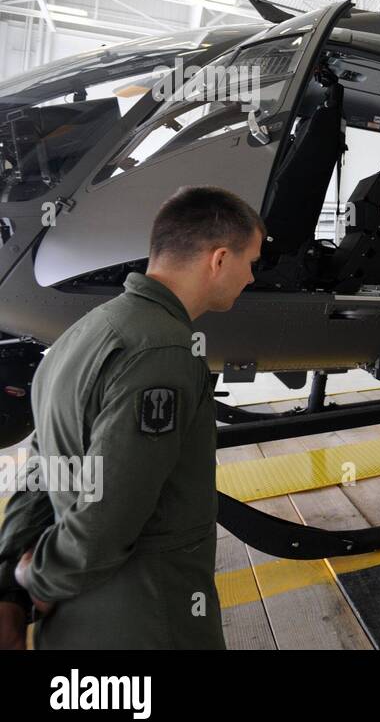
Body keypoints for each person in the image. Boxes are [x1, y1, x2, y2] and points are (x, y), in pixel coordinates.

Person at [0, 185, 263, 650]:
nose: (251, 278)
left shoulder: (81, 334)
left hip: (72, 625)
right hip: (149, 620)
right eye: (250, 262)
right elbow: (109, 518)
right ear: (219, 259)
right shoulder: (163, 352)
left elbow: (42, 469)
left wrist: (11, 590)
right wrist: (37, 579)